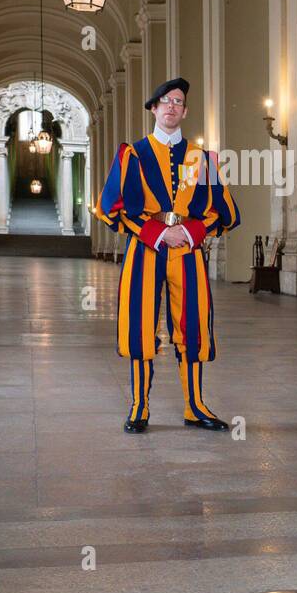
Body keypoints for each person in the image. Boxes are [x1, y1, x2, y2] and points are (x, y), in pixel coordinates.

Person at [94, 78, 241, 434]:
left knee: (192, 324)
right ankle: (139, 406)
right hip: (145, 248)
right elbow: (112, 206)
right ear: (154, 109)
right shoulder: (134, 154)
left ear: (185, 111)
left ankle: (195, 406)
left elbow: (221, 211)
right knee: (140, 325)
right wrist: (159, 232)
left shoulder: (200, 158)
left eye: (178, 102)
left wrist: (189, 232)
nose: (172, 107)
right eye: (165, 101)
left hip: (188, 251)